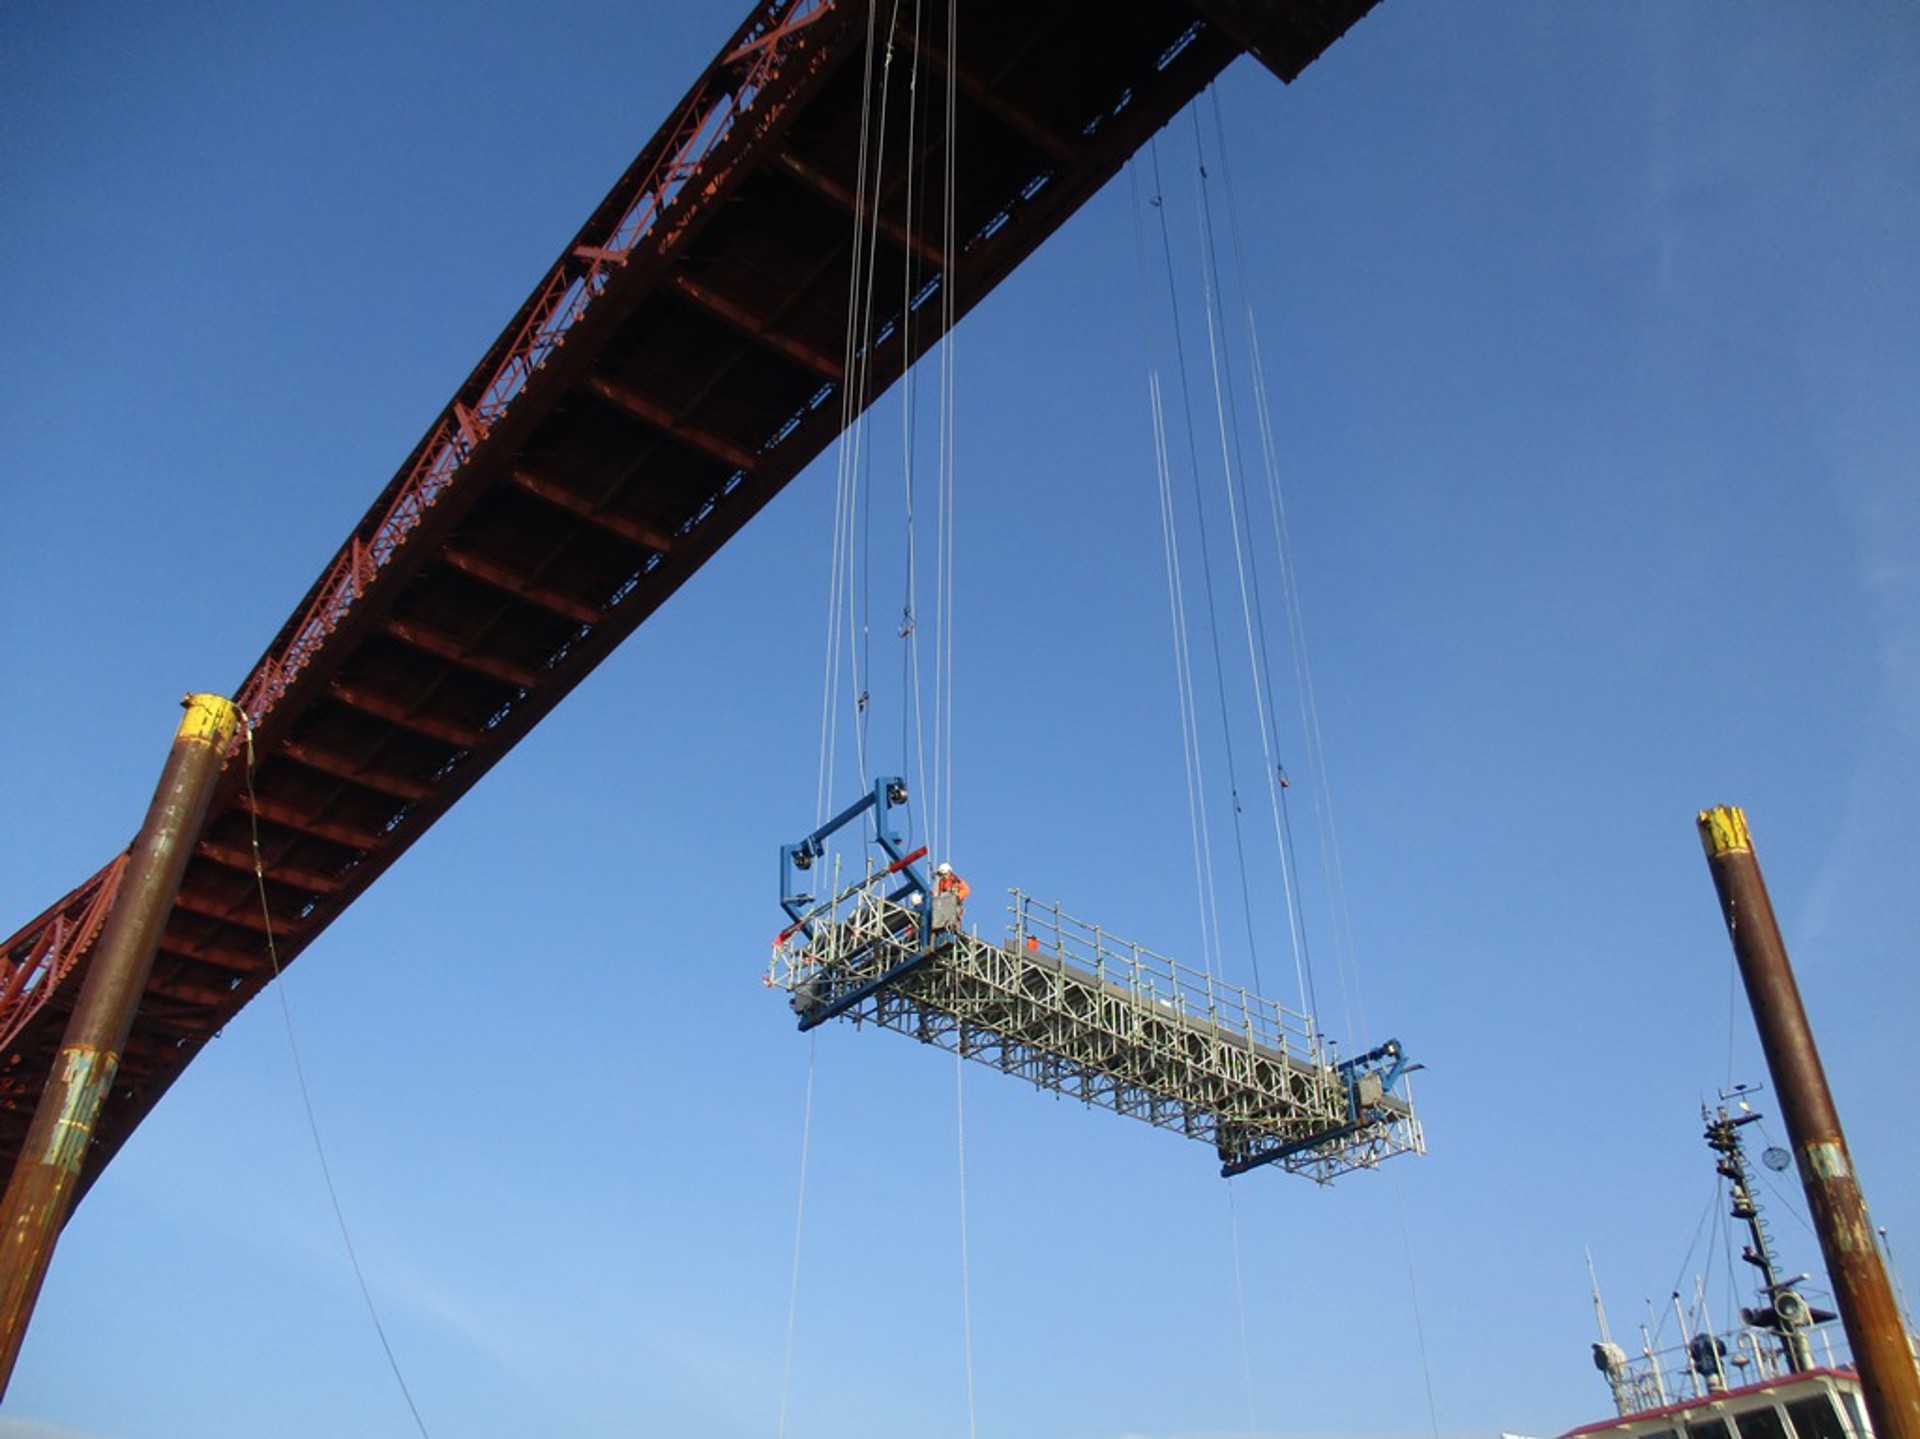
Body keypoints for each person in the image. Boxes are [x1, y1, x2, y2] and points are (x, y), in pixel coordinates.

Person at [932, 860, 969, 931]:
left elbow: (966, 890)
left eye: (944, 874)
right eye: (942, 875)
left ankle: (956, 929)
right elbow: (938, 894)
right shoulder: (941, 882)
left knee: (954, 919)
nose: (943, 876)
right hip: (944, 907)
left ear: (949, 873)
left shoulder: (956, 881)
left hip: (954, 905)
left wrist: (958, 897)